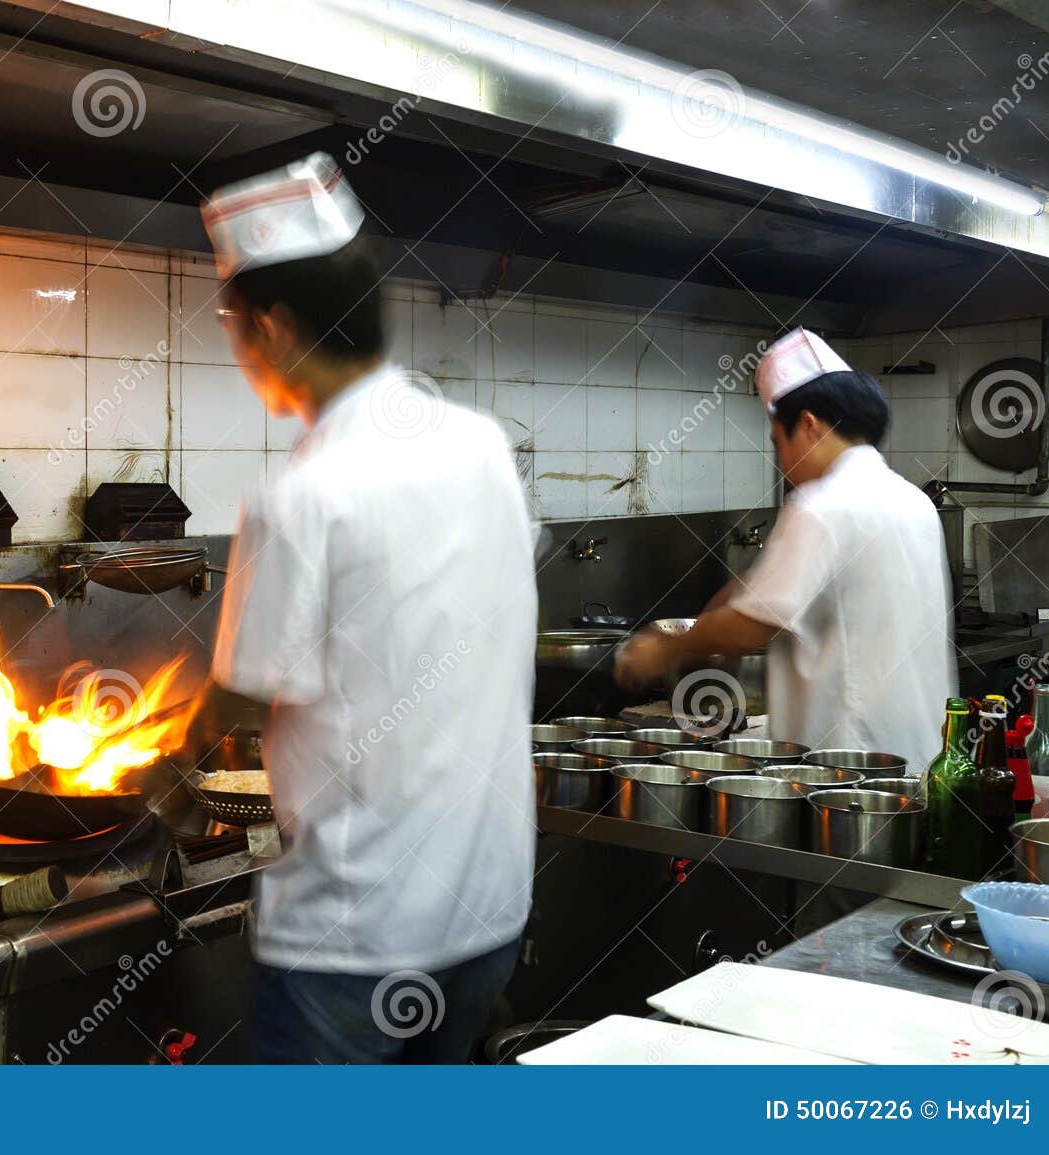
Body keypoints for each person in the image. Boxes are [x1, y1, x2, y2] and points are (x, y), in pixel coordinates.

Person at [196, 153, 539, 1064]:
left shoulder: (300, 494)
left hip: (351, 942)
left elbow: (233, 702)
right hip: (485, 912)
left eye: (231, 324)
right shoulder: (483, 446)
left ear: (269, 324)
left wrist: (148, 783)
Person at [615, 327, 955, 776]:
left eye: (779, 442)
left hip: (845, 769)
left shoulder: (821, 505)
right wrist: (723, 608)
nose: (781, 461)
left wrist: (666, 648)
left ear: (809, 425)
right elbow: (781, 592)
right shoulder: (910, 500)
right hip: (918, 756)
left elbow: (751, 628)